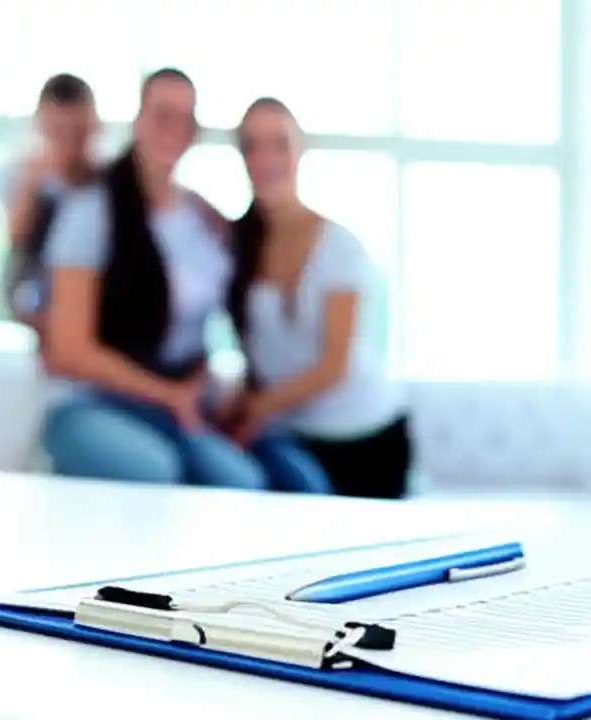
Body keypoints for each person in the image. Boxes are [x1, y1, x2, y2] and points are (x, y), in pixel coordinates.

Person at [41, 68, 279, 489]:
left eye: (185, 119)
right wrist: (169, 394)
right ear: (138, 121)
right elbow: (67, 350)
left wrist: (204, 391)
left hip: (179, 406)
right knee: (156, 472)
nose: (173, 129)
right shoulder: (91, 214)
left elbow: (217, 320)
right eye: (161, 114)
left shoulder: (202, 219)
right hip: (99, 403)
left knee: (241, 481)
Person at [226, 97, 412, 498]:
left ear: (299, 150)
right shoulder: (237, 245)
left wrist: (255, 408)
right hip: (295, 440)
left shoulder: (339, 246)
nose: (265, 158)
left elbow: (334, 366)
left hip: (368, 438)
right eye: (251, 146)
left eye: (279, 143)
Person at [0, 73, 98, 334]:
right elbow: (17, 237)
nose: (68, 145)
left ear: (93, 126)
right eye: (58, 133)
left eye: (77, 133)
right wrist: (31, 184)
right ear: (40, 124)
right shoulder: (23, 175)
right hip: (37, 299)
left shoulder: (103, 182)